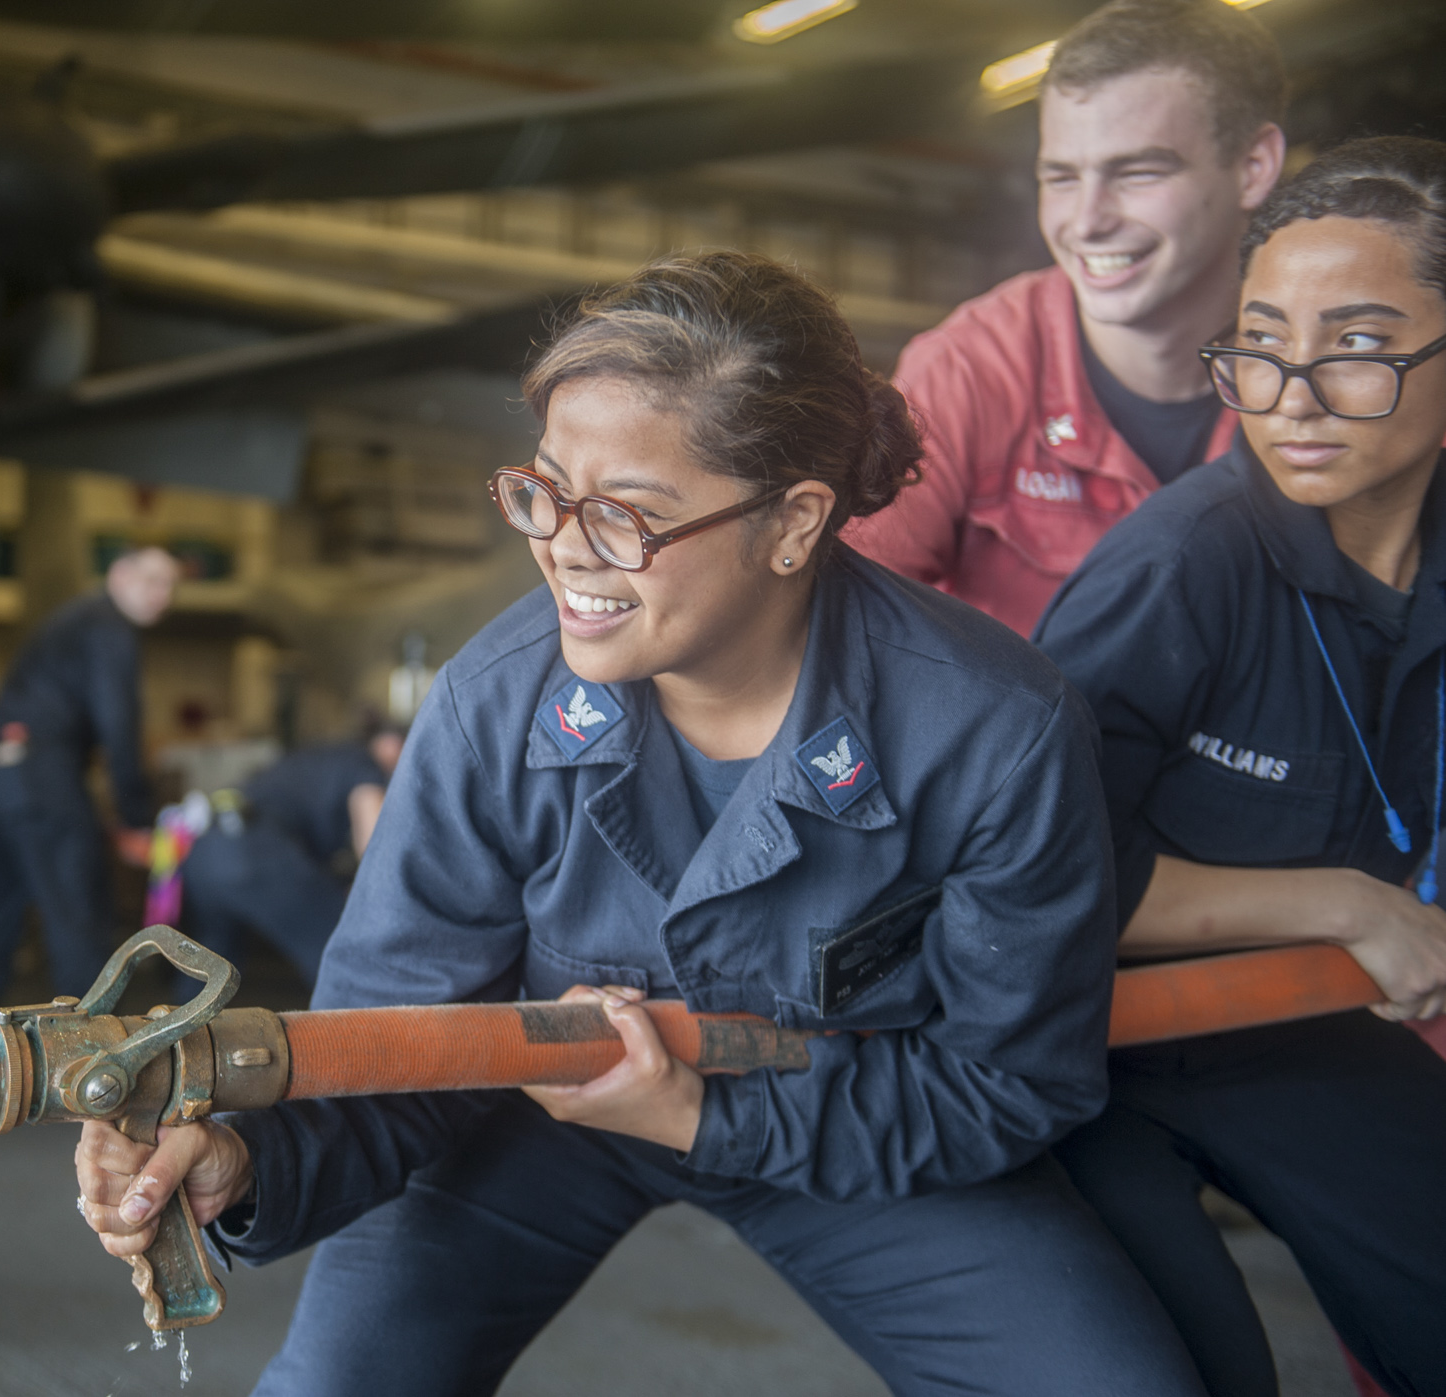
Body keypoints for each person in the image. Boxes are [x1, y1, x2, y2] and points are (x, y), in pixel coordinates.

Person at [74, 252, 1207, 1397]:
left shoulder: (994, 730)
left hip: (841, 1116)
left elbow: (1007, 1079)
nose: (565, 545)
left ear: (794, 521)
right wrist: (241, 1157)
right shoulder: (493, 705)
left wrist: (704, 1114)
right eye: (546, 490)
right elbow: (391, 1037)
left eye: (626, 513)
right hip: (532, 1114)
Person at [1032, 137, 1446, 1397]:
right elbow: (1035, 875)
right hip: (1078, 1056)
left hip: (1294, 1025)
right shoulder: (1180, 565)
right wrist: (1350, 903)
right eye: (1260, 342)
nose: (1293, 393)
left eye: (1361, 346)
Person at [846, 0, 1286, 636]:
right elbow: (851, 629)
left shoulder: (1333, 374)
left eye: (1137, 172)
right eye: (1062, 177)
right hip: (1032, 736)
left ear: (1253, 167)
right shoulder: (970, 368)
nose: (1085, 221)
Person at [0, 546, 174, 1010]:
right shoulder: (109, 625)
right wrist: (137, 815)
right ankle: (93, 1052)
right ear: (119, 573)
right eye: (152, 581)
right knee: (78, 912)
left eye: (170, 586)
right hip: (40, 776)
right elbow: (119, 723)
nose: (162, 596)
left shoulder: (80, 618)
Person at [175, 724, 404, 992]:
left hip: (203, 848)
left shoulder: (316, 755)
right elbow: (374, 844)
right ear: (390, 745)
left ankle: (173, 1032)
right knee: (344, 956)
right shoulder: (365, 765)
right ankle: (361, 1033)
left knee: (207, 973)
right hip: (254, 851)